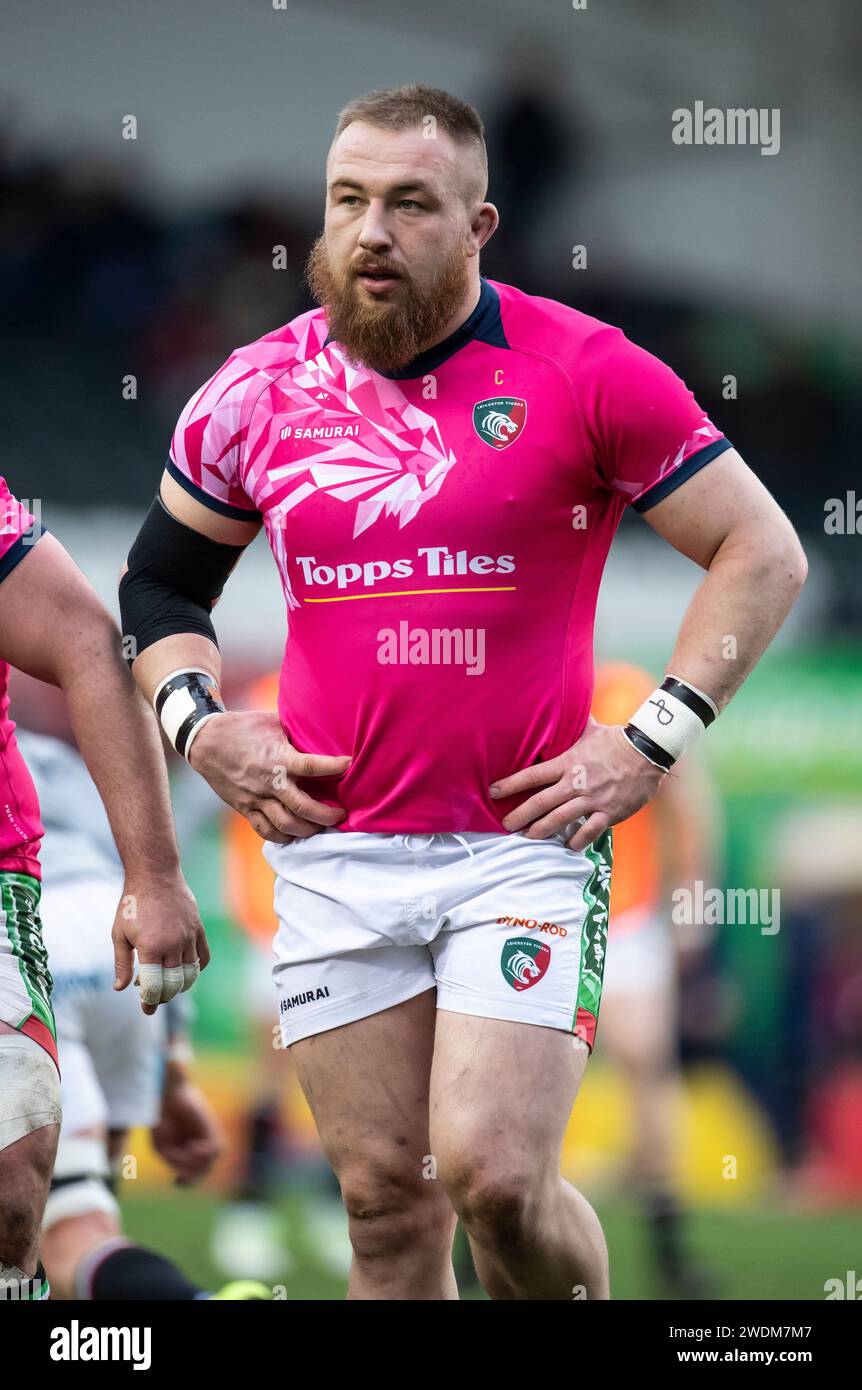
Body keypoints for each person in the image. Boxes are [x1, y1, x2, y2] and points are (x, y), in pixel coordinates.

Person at [119, 84, 807, 1300]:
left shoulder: (588, 369)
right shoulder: (250, 392)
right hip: (334, 857)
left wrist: (648, 742)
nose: (370, 231)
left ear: (479, 224)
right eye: (347, 201)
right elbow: (160, 588)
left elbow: (761, 552)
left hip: (521, 850)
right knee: (386, 1210)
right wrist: (199, 724)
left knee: (495, 1177)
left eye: (408, 204)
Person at [0, 480, 208, 1303]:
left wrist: (154, 877)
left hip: (36, 905)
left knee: (24, 1189)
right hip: (106, 958)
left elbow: (90, 636)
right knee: (80, 1213)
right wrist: (179, 1071)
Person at [590, 661, 719, 1297]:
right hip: (521, 916)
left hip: (624, 918)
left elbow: (690, 801)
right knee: (509, 1080)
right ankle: (481, 1238)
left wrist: (693, 915)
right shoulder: (501, 685)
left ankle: (669, 1244)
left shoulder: (626, 692)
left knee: (646, 1065)